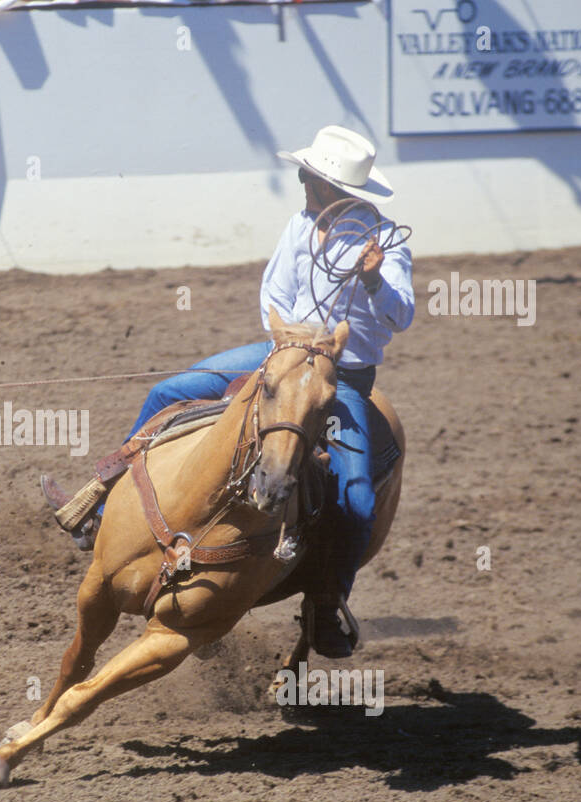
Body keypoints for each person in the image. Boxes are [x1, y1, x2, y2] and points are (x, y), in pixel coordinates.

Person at [42, 126, 414, 658]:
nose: (302, 181)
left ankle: (326, 602)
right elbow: (274, 292)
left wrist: (375, 281)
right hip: (281, 353)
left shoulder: (381, 241)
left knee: (356, 493)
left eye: (309, 175)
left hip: (343, 375)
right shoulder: (299, 226)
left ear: (331, 185)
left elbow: (401, 315)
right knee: (171, 391)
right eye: (305, 173)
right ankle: (102, 506)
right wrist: (287, 339)